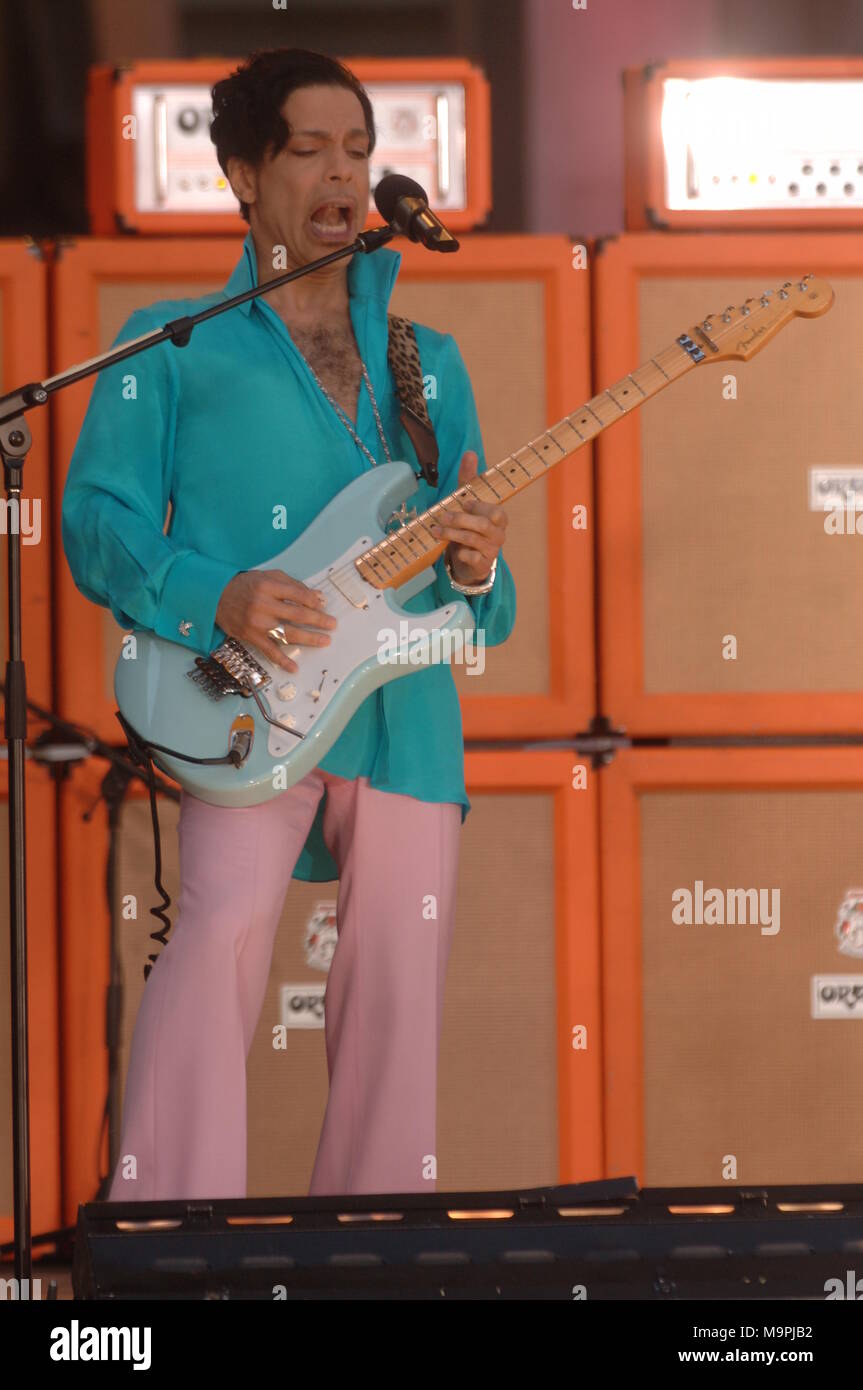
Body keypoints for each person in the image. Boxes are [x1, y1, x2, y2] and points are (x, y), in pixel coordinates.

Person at [61, 47, 516, 1201]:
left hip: (406, 715)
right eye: (308, 149)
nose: (341, 176)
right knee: (210, 952)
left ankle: (373, 1258)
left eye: (358, 152)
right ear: (241, 174)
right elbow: (94, 525)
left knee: (397, 994)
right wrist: (210, 588)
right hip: (239, 704)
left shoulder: (428, 363)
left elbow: (490, 611)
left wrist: (474, 565)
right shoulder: (167, 343)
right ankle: (165, 1245)